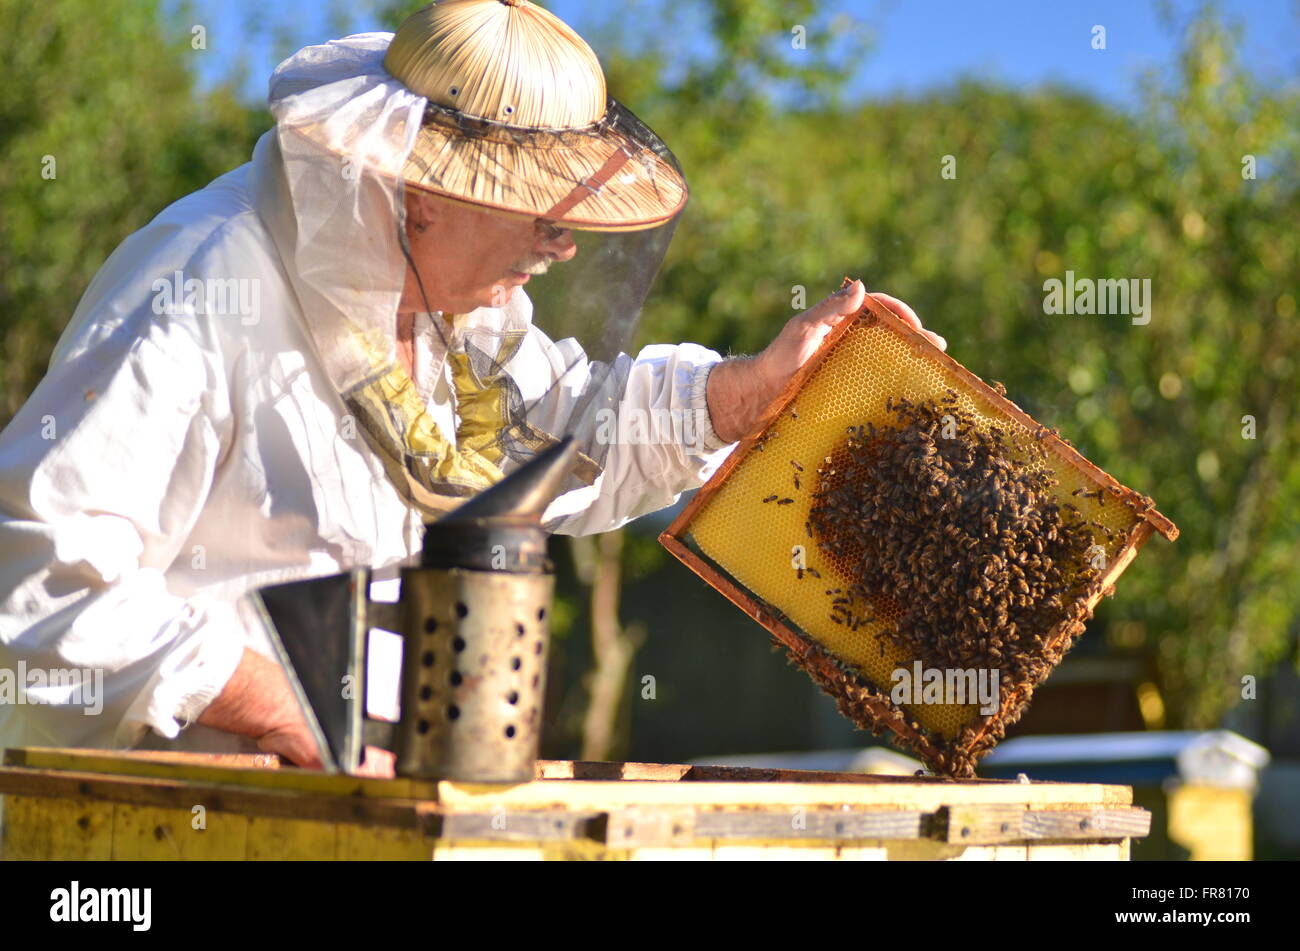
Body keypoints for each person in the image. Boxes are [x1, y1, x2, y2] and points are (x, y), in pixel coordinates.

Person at [0, 0, 944, 774]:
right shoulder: (202, 286)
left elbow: (563, 436)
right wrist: (277, 697)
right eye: (540, 205)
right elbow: (31, 583)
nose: (563, 242)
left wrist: (747, 395)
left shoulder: (450, 304)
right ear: (426, 190)